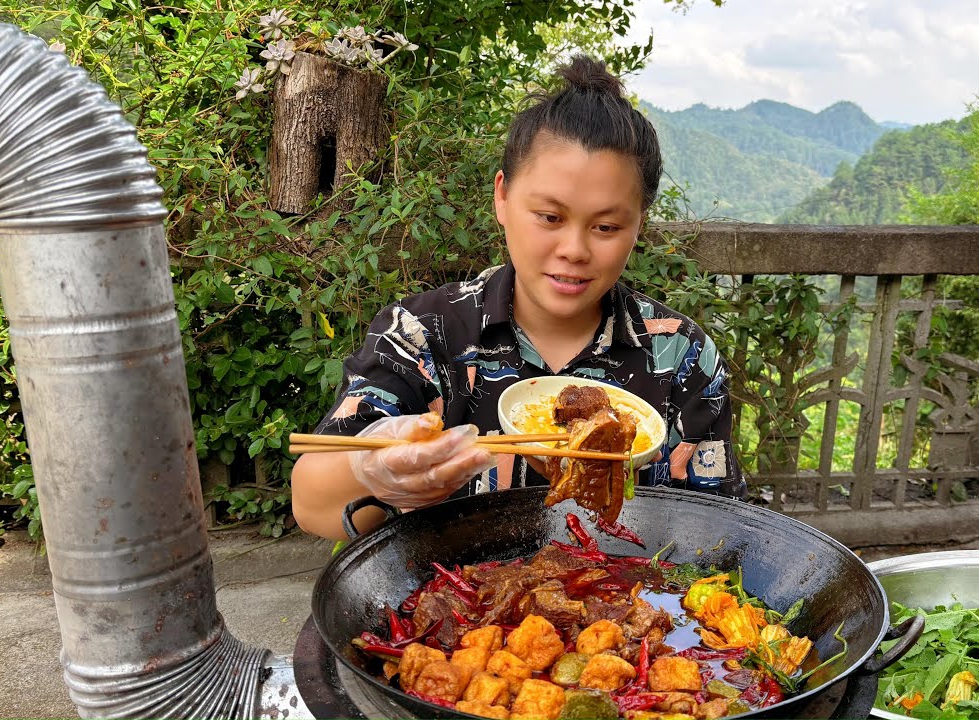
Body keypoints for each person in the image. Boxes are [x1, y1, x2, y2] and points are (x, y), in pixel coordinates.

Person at [291, 55, 745, 540]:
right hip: (455, 604)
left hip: (626, 601)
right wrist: (368, 472)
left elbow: (717, 528)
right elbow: (312, 502)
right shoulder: (422, 334)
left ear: (639, 225)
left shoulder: (680, 354)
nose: (574, 250)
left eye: (607, 227)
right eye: (550, 217)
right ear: (503, 197)